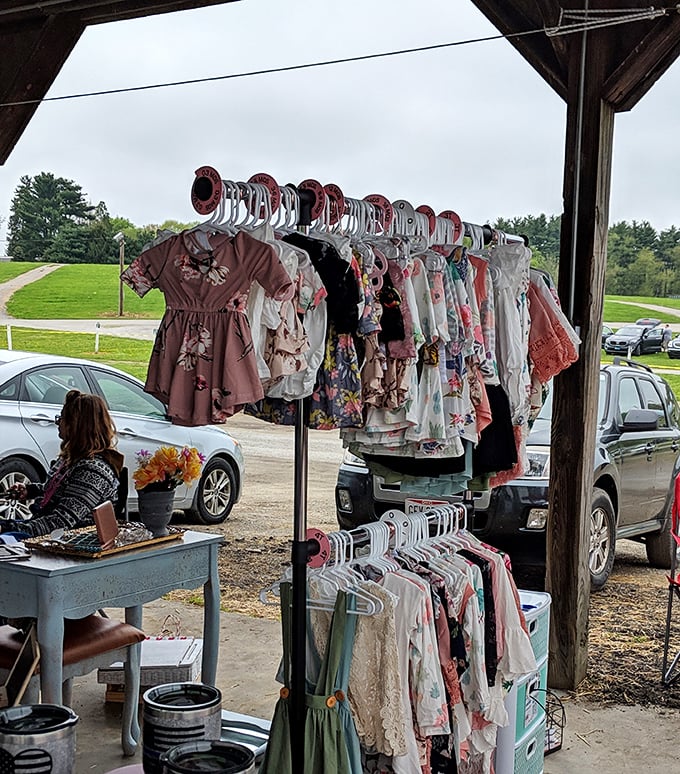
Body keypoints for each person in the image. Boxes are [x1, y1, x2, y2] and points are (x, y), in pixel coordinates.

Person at [0, 390, 124, 537]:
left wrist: (7, 528)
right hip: (47, 529)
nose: (58, 422)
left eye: (62, 418)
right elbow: (59, 490)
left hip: (70, 540)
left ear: (76, 425)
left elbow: (60, 523)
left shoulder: (93, 471)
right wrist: (31, 490)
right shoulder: (72, 458)